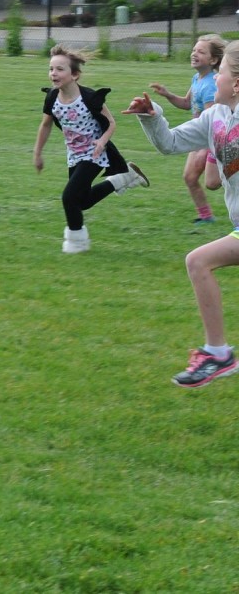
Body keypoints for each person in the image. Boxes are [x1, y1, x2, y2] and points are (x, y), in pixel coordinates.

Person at [125, 40, 239, 387]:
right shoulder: (214, 116)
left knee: (197, 261)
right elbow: (170, 143)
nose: (213, 81)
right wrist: (152, 115)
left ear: (236, 83)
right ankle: (217, 354)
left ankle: (217, 354)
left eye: (219, 73)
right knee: (198, 262)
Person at [33, 44, 151, 253]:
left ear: (75, 75)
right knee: (82, 201)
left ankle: (76, 243)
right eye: (51, 69)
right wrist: (37, 153)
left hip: (96, 153)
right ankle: (124, 178)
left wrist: (102, 142)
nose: (53, 73)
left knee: (68, 197)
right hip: (74, 154)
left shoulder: (89, 98)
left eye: (60, 69)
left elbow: (112, 123)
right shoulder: (52, 98)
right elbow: (45, 125)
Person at [149, 34, 227, 224]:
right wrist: (167, 95)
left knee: (212, 182)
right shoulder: (196, 78)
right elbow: (186, 103)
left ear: (213, 60)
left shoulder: (211, 85)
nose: (194, 54)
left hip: (208, 139)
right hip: (198, 137)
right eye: (194, 50)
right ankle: (206, 216)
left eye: (201, 52)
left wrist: (207, 148)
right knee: (190, 177)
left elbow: (212, 121)